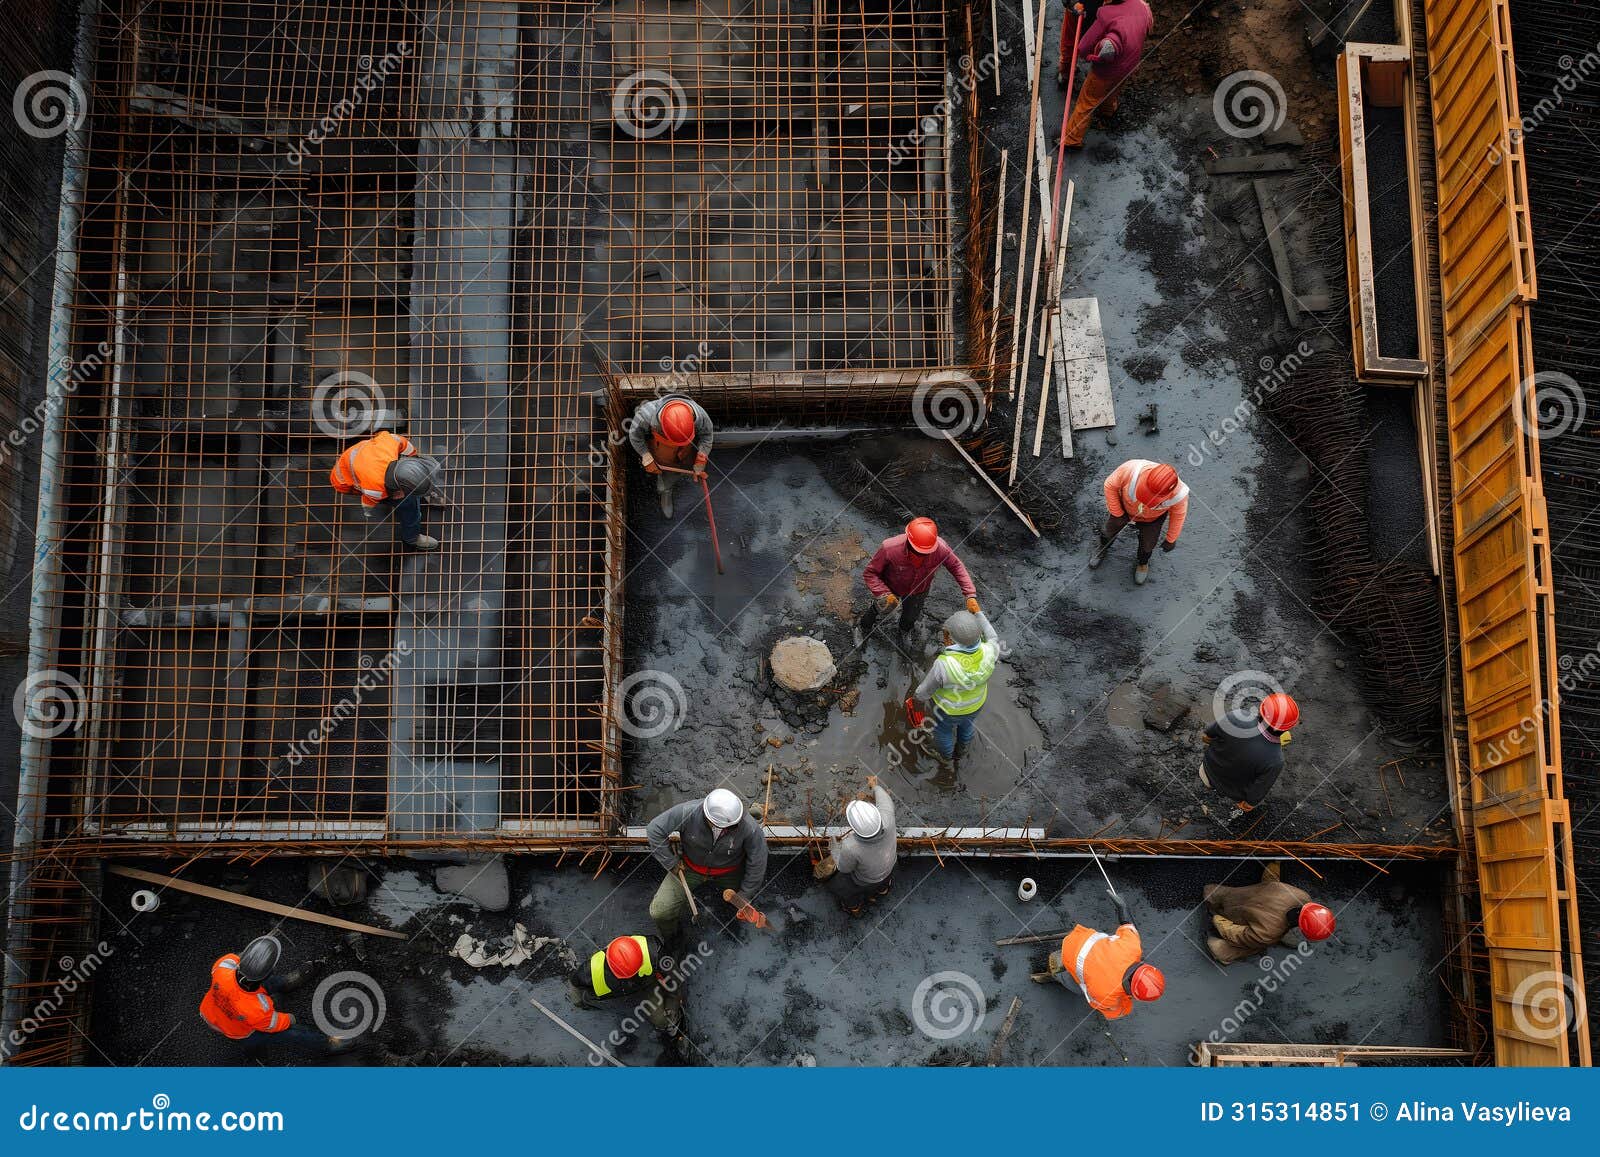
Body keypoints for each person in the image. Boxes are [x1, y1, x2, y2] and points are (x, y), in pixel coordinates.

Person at [645, 789, 768, 943]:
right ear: (709, 818)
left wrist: (745, 894)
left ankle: (734, 930)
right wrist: (671, 863)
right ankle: (673, 939)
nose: (731, 829)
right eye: (727, 826)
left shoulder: (748, 827)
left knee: (741, 908)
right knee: (660, 912)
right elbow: (654, 830)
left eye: (733, 825)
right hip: (689, 868)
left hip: (729, 872)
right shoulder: (688, 812)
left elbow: (758, 861)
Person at [198, 934, 354, 1054]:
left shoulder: (223, 967)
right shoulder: (259, 1009)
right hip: (239, 1031)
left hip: (210, 1011)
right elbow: (276, 1023)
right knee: (293, 1033)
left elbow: (236, 959)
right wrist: (290, 1019)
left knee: (263, 983)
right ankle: (327, 1045)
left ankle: (287, 982)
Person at [856, 517, 979, 644]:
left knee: (910, 617)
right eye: (917, 551)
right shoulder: (890, 548)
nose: (920, 556)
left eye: (925, 553)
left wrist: (970, 594)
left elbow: (956, 566)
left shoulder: (940, 549)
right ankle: (863, 627)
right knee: (880, 607)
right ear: (909, 541)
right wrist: (883, 593)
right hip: (891, 587)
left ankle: (904, 631)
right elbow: (870, 573)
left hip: (919, 591)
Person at [911, 609, 1001, 779]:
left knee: (943, 732)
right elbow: (992, 635)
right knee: (967, 726)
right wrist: (979, 613)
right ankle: (961, 750)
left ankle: (946, 758)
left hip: (947, 711)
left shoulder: (944, 664)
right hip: (976, 705)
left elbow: (924, 691)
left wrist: (917, 703)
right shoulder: (991, 651)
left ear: (950, 639)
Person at [1047, 891, 1164, 1020]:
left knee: (1109, 939)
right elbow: (1106, 1009)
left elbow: (1128, 925)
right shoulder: (1108, 997)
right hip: (1070, 960)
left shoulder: (1132, 946)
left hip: (1078, 937)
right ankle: (1058, 975)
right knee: (1077, 985)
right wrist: (1126, 1003)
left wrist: (1122, 907)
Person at [1058, 0, 1154, 148]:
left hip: (1106, 70)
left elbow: (1082, 48)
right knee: (1114, 87)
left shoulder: (1106, 14)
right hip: (1130, 64)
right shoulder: (1141, 6)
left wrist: (1090, 55)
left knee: (1088, 100)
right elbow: (1147, 26)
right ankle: (1108, 110)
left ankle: (1072, 139)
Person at [1202, 862, 1337, 964]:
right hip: (1225, 912)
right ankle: (1221, 950)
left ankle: (1213, 898)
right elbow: (1238, 934)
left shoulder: (1302, 896)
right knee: (1258, 944)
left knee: (1265, 932)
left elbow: (1271, 883)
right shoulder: (1269, 933)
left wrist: (1274, 863)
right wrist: (1219, 921)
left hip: (1221, 894)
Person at [329, 429, 442, 551]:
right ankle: (411, 538)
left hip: (368, 461)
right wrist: (393, 496)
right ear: (399, 491)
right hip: (345, 481)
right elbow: (368, 501)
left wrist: (417, 469)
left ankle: (419, 489)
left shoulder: (393, 441)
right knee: (409, 505)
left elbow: (386, 436)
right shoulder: (375, 489)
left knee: (412, 489)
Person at [1201, 692, 1299, 820]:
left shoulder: (1237, 716)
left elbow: (1207, 736)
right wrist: (1247, 804)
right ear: (1287, 729)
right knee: (1249, 806)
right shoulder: (1276, 759)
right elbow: (1253, 798)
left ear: (1261, 711)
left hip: (1206, 770)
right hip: (1232, 794)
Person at [1089, 458, 1187, 585]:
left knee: (1148, 544)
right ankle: (1103, 547)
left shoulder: (1179, 495)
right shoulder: (1130, 470)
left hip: (1152, 519)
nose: (1146, 501)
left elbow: (1178, 516)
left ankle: (1143, 563)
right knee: (1109, 530)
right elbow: (1110, 485)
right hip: (1124, 509)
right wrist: (1117, 513)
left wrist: (1171, 539)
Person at [569, 933, 684, 1035]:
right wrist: (579, 1002)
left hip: (646, 986)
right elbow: (574, 983)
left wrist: (672, 1005)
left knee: (662, 1021)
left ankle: (672, 1021)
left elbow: (675, 979)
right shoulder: (590, 970)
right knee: (593, 1000)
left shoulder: (654, 950)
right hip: (612, 996)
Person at [628, 395, 714, 518]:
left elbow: (707, 435)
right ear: (661, 425)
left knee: (689, 463)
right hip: (661, 450)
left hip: (687, 449)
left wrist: (701, 459)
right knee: (667, 474)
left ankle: (684, 471)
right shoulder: (646, 414)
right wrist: (645, 455)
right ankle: (665, 490)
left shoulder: (699, 415)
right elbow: (635, 436)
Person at [825, 776, 898, 916]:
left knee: (841, 886)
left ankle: (853, 907)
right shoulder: (888, 818)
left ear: (855, 828)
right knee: (883, 882)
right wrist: (875, 786)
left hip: (864, 880)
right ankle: (883, 891)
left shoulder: (851, 846)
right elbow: (885, 800)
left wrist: (833, 847)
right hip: (890, 867)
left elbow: (844, 868)